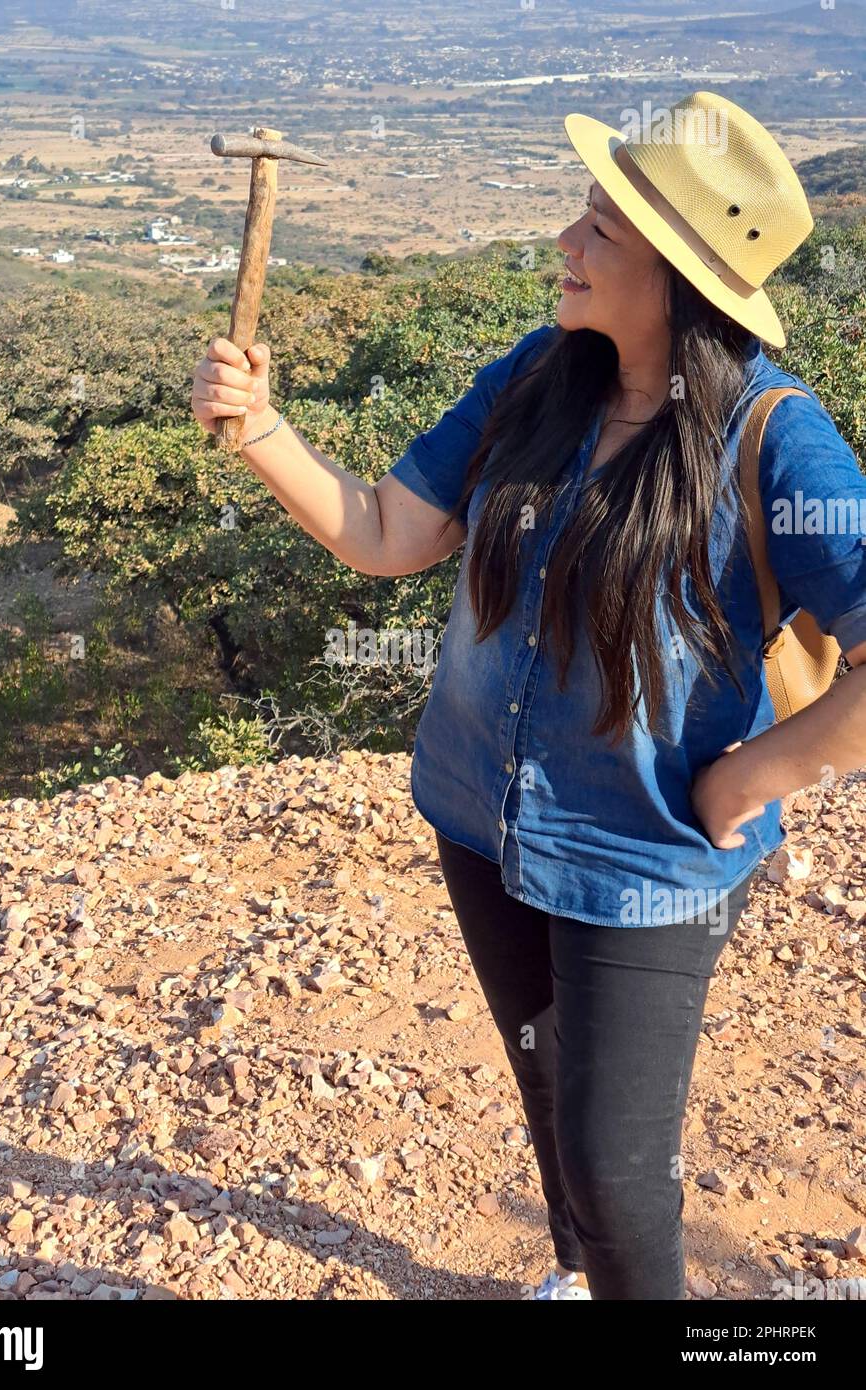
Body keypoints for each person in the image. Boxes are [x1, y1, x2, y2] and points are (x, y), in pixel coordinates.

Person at [191, 90, 866, 1300]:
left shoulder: (777, 441)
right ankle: (571, 1277)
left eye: (599, 228)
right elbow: (391, 531)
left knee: (618, 1167)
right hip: (478, 813)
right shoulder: (537, 378)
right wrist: (261, 429)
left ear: (676, 275)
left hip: (644, 857)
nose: (564, 240)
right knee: (544, 1076)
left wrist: (748, 776)